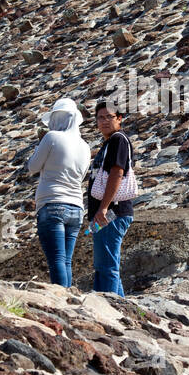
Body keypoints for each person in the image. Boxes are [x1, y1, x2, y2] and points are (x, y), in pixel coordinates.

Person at [27, 97, 91, 287]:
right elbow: (81, 176)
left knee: (56, 261)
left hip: (52, 203)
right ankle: (68, 300)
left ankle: (61, 299)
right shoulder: (85, 146)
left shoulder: (52, 137)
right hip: (76, 207)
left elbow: (32, 166)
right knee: (66, 261)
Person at [88, 102, 137, 296]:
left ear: (119, 119)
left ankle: (113, 311)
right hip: (104, 214)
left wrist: (103, 208)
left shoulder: (118, 140)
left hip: (111, 212)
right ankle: (120, 309)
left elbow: (117, 173)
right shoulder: (109, 143)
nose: (105, 121)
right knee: (103, 266)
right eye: (100, 117)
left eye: (109, 116)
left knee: (107, 266)